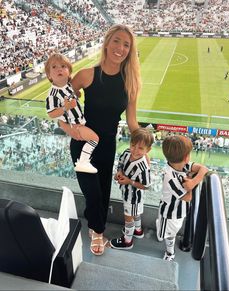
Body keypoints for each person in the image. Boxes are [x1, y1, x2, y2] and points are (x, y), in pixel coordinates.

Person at [69, 24, 141, 255]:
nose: (120, 48)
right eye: (117, 41)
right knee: (93, 191)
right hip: (83, 144)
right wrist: (72, 130)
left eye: (126, 44)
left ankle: (93, 221)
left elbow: (131, 122)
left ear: (130, 51)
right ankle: (98, 231)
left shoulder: (130, 83)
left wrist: (143, 143)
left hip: (107, 144)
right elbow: (61, 105)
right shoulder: (87, 74)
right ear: (107, 42)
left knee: (102, 189)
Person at [156, 135, 208, 261]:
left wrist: (192, 181)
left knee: (171, 232)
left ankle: (166, 240)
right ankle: (170, 253)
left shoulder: (183, 165)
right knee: (167, 235)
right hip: (169, 213)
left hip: (180, 211)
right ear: (186, 157)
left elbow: (204, 169)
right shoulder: (170, 177)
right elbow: (188, 197)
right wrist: (191, 183)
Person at [45, 53, 99, 174]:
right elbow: (51, 114)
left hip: (81, 122)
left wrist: (77, 94)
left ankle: (84, 160)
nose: (59, 69)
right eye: (54, 67)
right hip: (74, 125)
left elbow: (73, 94)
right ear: (49, 75)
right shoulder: (53, 94)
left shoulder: (68, 86)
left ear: (69, 71)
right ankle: (83, 162)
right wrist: (65, 107)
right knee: (95, 139)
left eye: (63, 66)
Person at [109, 128, 153, 250]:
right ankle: (137, 231)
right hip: (127, 192)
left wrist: (129, 181)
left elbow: (146, 186)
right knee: (135, 212)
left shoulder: (143, 167)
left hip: (133, 196)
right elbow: (121, 162)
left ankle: (127, 241)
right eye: (133, 145)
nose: (135, 150)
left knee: (129, 216)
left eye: (140, 148)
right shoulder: (127, 152)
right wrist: (119, 171)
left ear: (147, 150)